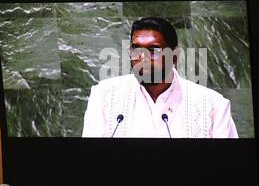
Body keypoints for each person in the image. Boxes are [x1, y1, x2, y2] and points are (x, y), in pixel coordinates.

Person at [81, 16, 237, 138]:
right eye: (136, 50)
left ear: (175, 56)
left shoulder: (213, 106)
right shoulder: (104, 96)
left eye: (154, 50)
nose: (142, 58)